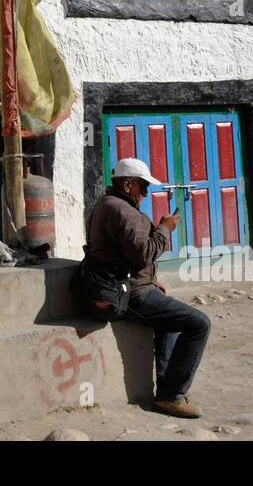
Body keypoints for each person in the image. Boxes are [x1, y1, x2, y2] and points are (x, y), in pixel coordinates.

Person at [82, 157, 211, 418]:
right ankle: (172, 394)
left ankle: (167, 392)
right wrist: (165, 228)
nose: (145, 192)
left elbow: (127, 254)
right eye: (143, 187)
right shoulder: (123, 211)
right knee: (199, 323)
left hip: (128, 286)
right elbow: (144, 253)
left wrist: (151, 281)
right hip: (128, 296)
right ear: (128, 185)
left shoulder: (108, 205)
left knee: (171, 318)